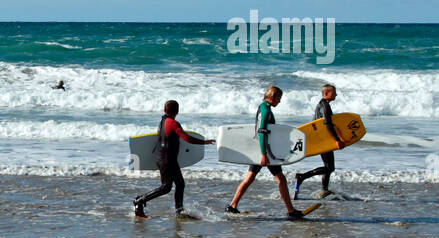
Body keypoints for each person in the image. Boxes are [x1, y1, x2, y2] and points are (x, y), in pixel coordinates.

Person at [226, 85, 303, 219]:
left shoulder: (263, 107)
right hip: (265, 151)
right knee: (281, 178)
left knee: (250, 178)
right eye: (279, 98)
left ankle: (232, 206)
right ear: (272, 97)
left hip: (260, 149)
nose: (280, 101)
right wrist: (263, 154)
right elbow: (262, 132)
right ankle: (291, 210)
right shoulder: (266, 110)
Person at [133, 100, 215, 218]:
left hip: (166, 159)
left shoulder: (162, 122)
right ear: (177, 111)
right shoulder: (173, 123)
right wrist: (204, 142)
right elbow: (186, 138)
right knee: (166, 187)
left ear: (164, 110)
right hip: (167, 160)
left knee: (180, 184)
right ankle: (140, 200)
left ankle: (179, 211)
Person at [294, 84, 344, 198]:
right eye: (333, 93)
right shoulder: (325, 106)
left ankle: (324, 190)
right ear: (326, 94)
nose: (335, 94)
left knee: (328, 166)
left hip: (320, 138)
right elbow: (327, 124)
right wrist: (336, 139)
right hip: (323, 140)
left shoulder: (320, 105)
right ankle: (302, 177)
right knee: (329, 167)